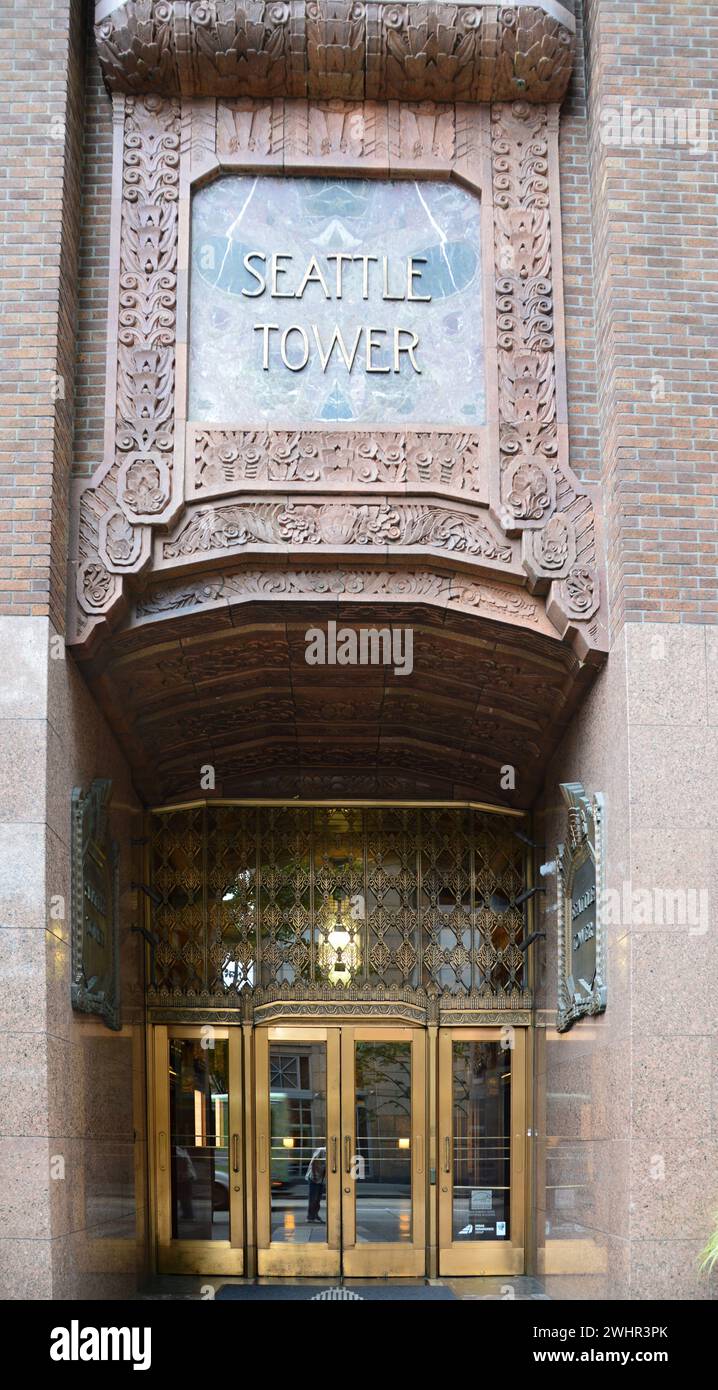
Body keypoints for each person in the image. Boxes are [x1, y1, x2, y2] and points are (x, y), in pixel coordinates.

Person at [305, 1145, 326, 1223]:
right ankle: (310, 1217)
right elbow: (313, 1162)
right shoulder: (321, 1150)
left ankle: (315, 1215)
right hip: (314, 1178)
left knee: (317, 1199)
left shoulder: (331, 1153)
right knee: (313, 1198)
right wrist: (314, 1175)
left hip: (321, 1179)